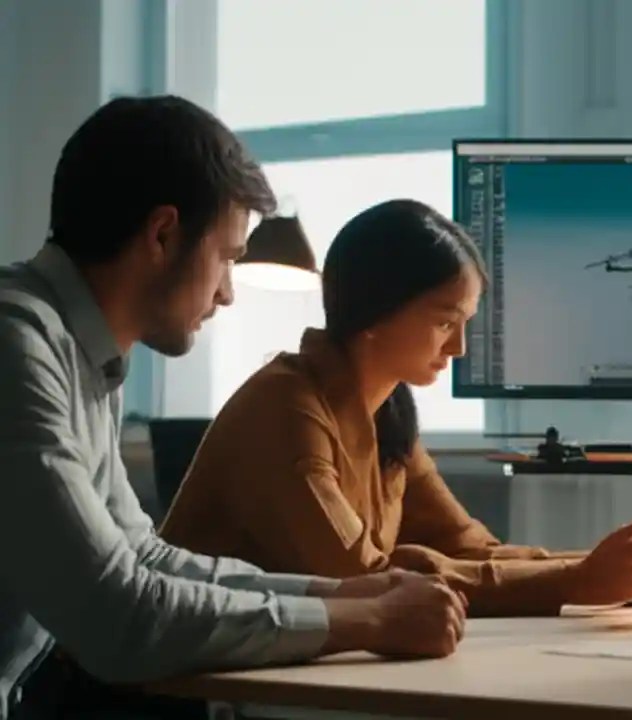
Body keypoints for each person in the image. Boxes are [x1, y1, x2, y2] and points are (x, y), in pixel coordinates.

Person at [0, 97, 468, 720]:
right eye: (228, 257)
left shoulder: (78, 356)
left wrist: (341, 594)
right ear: (163, 234)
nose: (225, 293)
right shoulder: (17, 351)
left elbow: (143, 555)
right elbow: (116, 614)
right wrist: (364, 619)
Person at [159, 198, 632, 617]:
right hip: (200, 691)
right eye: (443, 321)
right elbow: (365, 582)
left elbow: (468, 547)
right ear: (375, 310)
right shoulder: (286, 407)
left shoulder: (389, 413)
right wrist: (576, 581)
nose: (457, 347)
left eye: (464, 324)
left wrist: (602, 563)